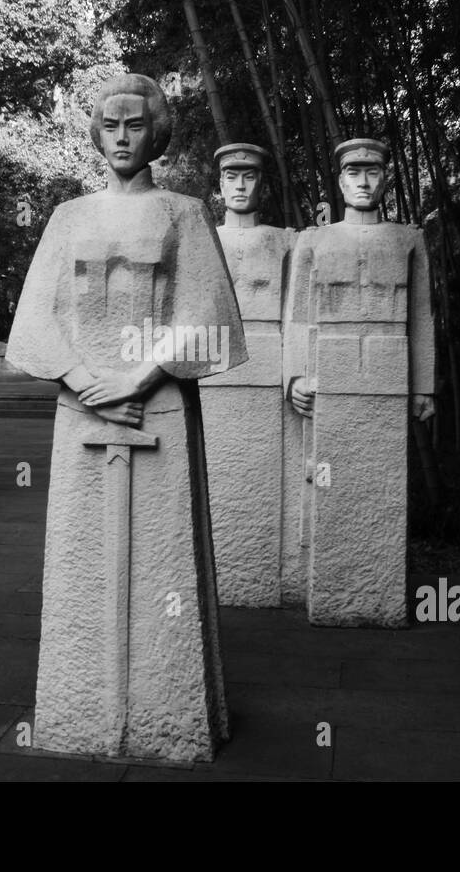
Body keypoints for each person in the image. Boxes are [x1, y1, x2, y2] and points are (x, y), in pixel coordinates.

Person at [6, 73, 246, 762]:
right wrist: (85, 380)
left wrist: (142, 375)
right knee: (84, 567)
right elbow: (33, 322)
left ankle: (170, 709)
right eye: (108, 124)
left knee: (164, 563)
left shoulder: (183, 212)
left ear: (156, 132)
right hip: (80, 412)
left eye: (134, 125)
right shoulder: (68, 218)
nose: (119, 136)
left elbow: (208, 315)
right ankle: (79, 710)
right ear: (93, 132)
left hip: (159, 404)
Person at [284, 138, 436, 627]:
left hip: (388, 373)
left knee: (382, 488)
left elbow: (423, 316)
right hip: (329, 373)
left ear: (387, 177)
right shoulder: (313, 240)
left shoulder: (407, 239)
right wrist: (292, 377)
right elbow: (298, 320)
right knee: (330, 482)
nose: (364, 181)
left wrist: (424, 387)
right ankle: (334, 591)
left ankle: (379, 596)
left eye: (372, 171)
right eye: (353, 172)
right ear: (339, 179)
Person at [200, 142, 303, 607]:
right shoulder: (202, 239)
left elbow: (301, 316)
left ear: (263, 183)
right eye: (231, 178)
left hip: (270, 366)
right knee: (215, 475)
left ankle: (270, 576)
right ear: (218, 185)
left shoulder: (286, 241)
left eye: (249, 177)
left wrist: (296, 375)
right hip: (210, 368)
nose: (240, 186)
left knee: (265, 479)